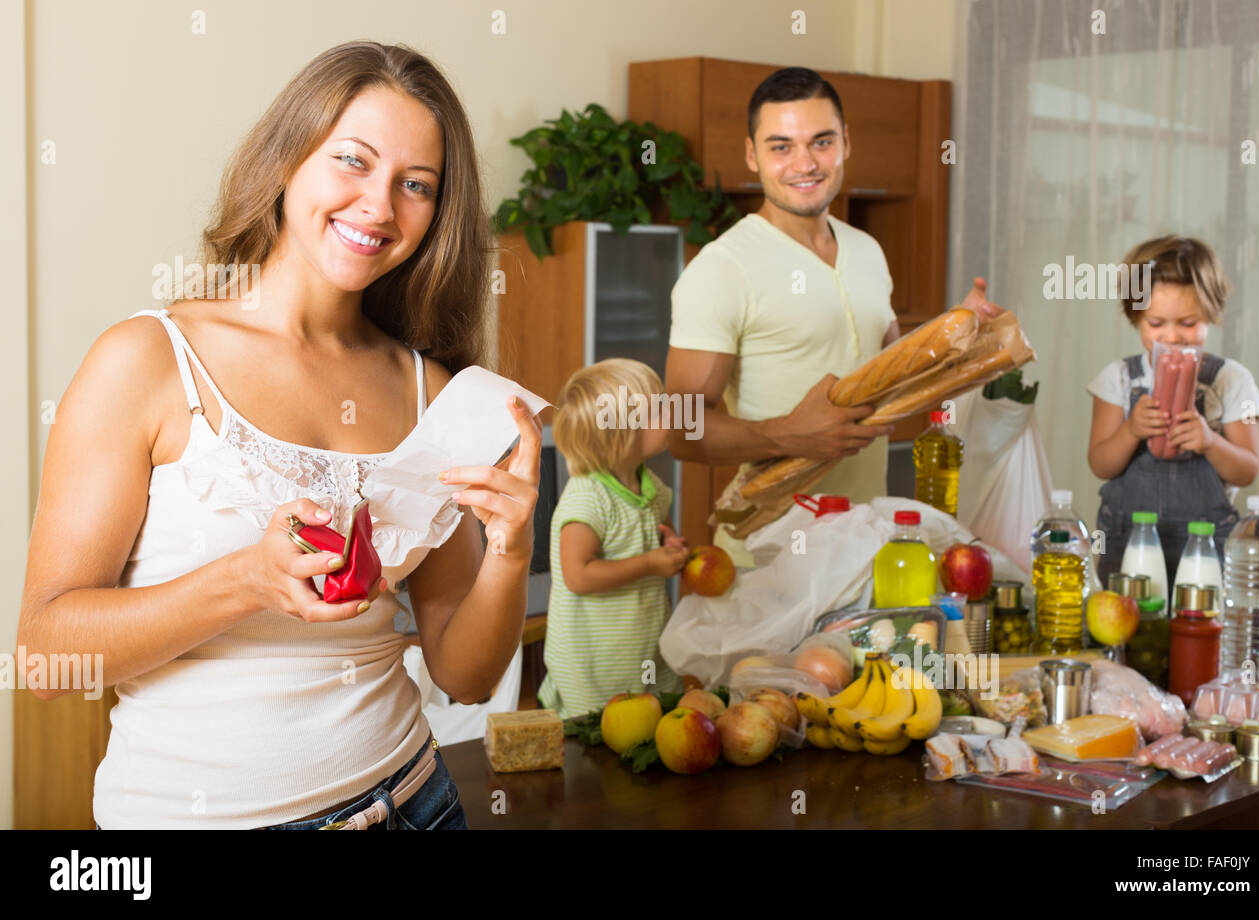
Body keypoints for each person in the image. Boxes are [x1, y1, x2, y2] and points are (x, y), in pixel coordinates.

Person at [17, 41, 540, 830]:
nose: (379, 206)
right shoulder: (152, 361)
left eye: (416, 186)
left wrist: (510, 548)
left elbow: (464, 677)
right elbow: (45, 659)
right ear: (289, 158)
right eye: (353, 162)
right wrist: (246, 581)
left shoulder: (430, 390)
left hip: (412, 803)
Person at [665, 66, 999, 567]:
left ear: (846, 142)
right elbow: (679, 428)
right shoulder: (722, 268)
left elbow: (894, 380)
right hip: (770, 556)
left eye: (821, 142)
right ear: (752, 155)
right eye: (781, 146)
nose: (804, 163)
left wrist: (957, 335)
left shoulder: (867, 251)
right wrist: (786, 433)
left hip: (867, 544)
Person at [1087, 235, 1259, 590]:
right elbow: (1100, 464)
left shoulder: (1232, 381)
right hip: (1128, 540)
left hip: (1206, 545)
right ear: (1135, 315)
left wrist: (1210, 442)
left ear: (1211, 313)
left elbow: (1248, 468)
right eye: (1156, 324)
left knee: (1199, 633)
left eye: (1187, 323)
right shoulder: (1117, 380)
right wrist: (1130, 431)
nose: (1172, 337)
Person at [538, 359, 688, 719]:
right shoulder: (587, 498)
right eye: (656, 410)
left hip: (644, 647)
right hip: (593, 662)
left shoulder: (653, 489)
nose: (670, 413)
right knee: (595, 749)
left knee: (651, 727)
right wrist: (651, 563)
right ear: (618, 436)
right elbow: (578, 576)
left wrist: (672, 550)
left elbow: (661, 540)